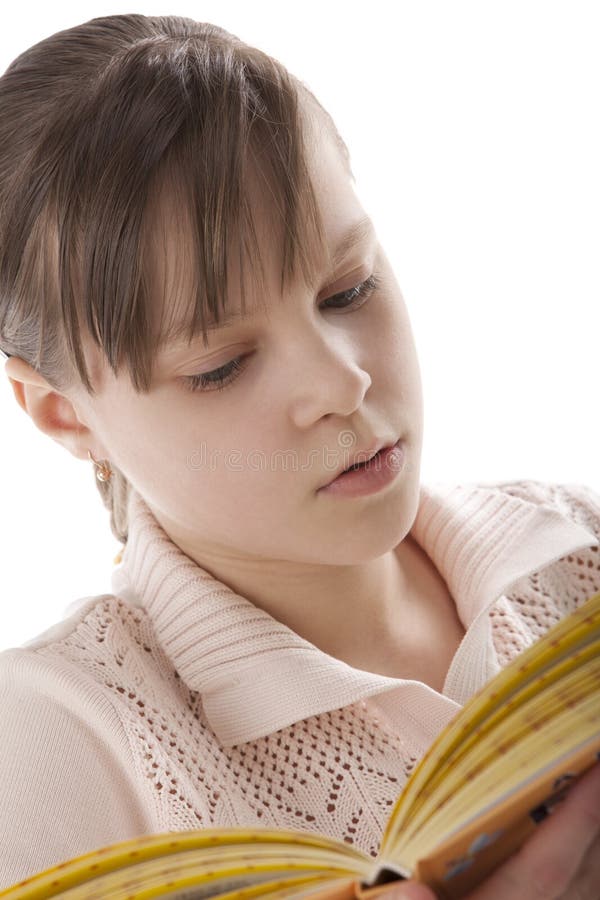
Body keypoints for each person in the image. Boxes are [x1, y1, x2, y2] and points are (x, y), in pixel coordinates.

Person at [0, 13, 599, 898]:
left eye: (349, 288)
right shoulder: (59, 737)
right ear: (62, 412)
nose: (342, 383)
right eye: (221, 365)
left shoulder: (579, 548)